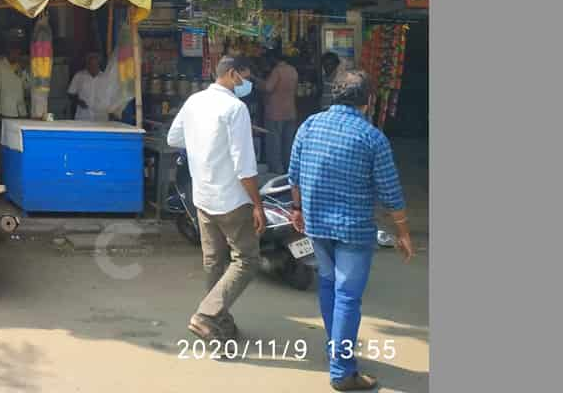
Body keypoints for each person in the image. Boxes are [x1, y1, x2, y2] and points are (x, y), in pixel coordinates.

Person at [288, 69, 416, 391]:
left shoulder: (309, 126)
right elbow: (390, 193)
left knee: (330, 286)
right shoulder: (371, 137)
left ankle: (336, 349)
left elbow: (294, 176)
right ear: (368, 100)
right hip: (353, 231)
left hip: (317, 225)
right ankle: (343, 372)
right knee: (347, 296)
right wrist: (403, 233)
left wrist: (298, 210)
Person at [166, 56, 266, 341]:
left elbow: (174, 138)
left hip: (203, 195)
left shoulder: (195, 101)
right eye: (245, 78)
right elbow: (244, 164)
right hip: (232, 198)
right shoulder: (235, 108)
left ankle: (219, 321)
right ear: (233, 75)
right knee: (247, 259)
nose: (248, 84)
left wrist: (203, 145)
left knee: (214, 260)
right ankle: (207, 314)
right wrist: (257, 204)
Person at [257, 50, 300, 174]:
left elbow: (268, 87)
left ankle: (276, 170)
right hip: (291, 111)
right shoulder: (293, 70)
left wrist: (258, 82)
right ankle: (288, 167)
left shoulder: (277, 71)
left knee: (274, 143)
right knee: (288, 142)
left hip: (275, 112)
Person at [67, 52, 103, 120]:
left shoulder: (105, 77)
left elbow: (110, 97)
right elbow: (70, 94)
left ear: (99, 64)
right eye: (91, 64)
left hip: (101, 116)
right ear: (87, 65)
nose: (93, 67)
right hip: (83, 115)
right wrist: (78, 101)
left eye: (95, 64)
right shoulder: (79, 76)